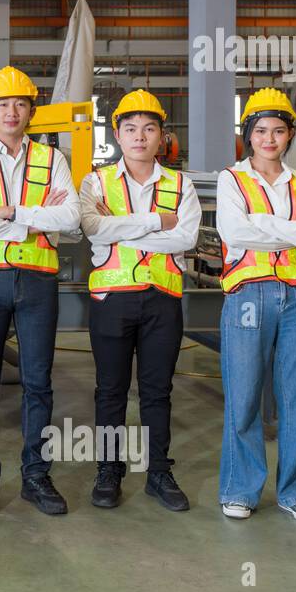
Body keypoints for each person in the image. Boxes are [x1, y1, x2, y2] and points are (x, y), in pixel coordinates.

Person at [0, 66, 81, 517]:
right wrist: (34, 217)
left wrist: (7, 212)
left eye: (20, 104)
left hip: (38, 280)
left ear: (31, 110)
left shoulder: (53, 159)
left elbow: (70, 218)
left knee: (37, 383)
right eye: (2, 104)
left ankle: (35, 476)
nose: (12, 111)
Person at [79, 89, 200, 512]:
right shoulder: (96, 180)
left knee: (157, 391)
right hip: (112, 298)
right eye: (130, 129)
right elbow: (94, 229)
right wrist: (153, 224)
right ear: (116, 133)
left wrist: (121, 227)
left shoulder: (180, 184)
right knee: (110, 390)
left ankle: (158, 472)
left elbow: (186, 237)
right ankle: (108, 471)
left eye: (149, 129)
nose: (139, 137)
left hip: (162, 299)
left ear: (162, 135)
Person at [217, 87, 296, 524]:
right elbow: (235, 231)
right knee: (243, 396)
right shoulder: (232, 179)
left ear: (289, 136)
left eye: (278, 131)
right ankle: (241, 490)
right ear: (248, 135)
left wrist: (264, 225)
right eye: (261, 130)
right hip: (248, 292)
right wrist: (293, 228)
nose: (269, 139)